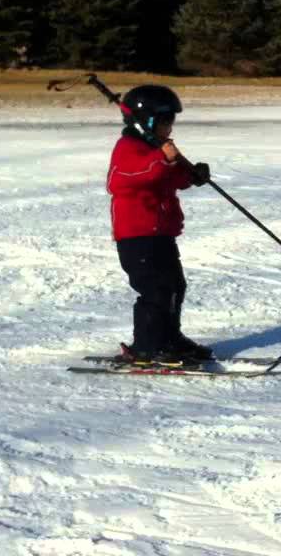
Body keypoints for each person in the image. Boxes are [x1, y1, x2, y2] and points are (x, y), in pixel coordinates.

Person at [106, 84, 213, 362]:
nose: (170, 127)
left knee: (175, 286)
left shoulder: (153, 148)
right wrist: (161, 159)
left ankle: (170, 338)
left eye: (172, 121)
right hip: (137, 236)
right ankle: (146, 346)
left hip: (162, 233)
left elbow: (170, 179)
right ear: (148, 122)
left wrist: (191, 176)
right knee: (155, 290)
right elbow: (122, 179)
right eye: (166, 121)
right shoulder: (128, 147)